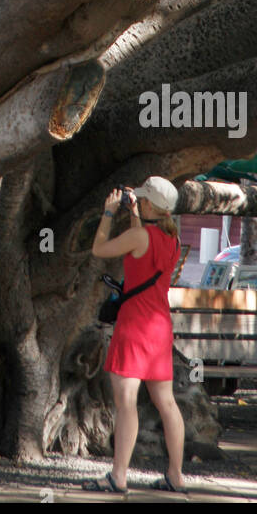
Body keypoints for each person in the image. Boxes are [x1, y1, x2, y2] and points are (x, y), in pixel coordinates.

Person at [84, 175, 185, 495]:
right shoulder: (173, 239)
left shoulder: (138, 236)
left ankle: (118, 476)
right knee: (166, 403)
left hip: (134, 328)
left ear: (151, 205)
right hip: (159, 329)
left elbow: (99, 248)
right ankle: (176, 475)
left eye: (141, 200)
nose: (137, 202)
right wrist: (135, 213)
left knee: (126, 402)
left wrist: (110, 212)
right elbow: (144, 240)